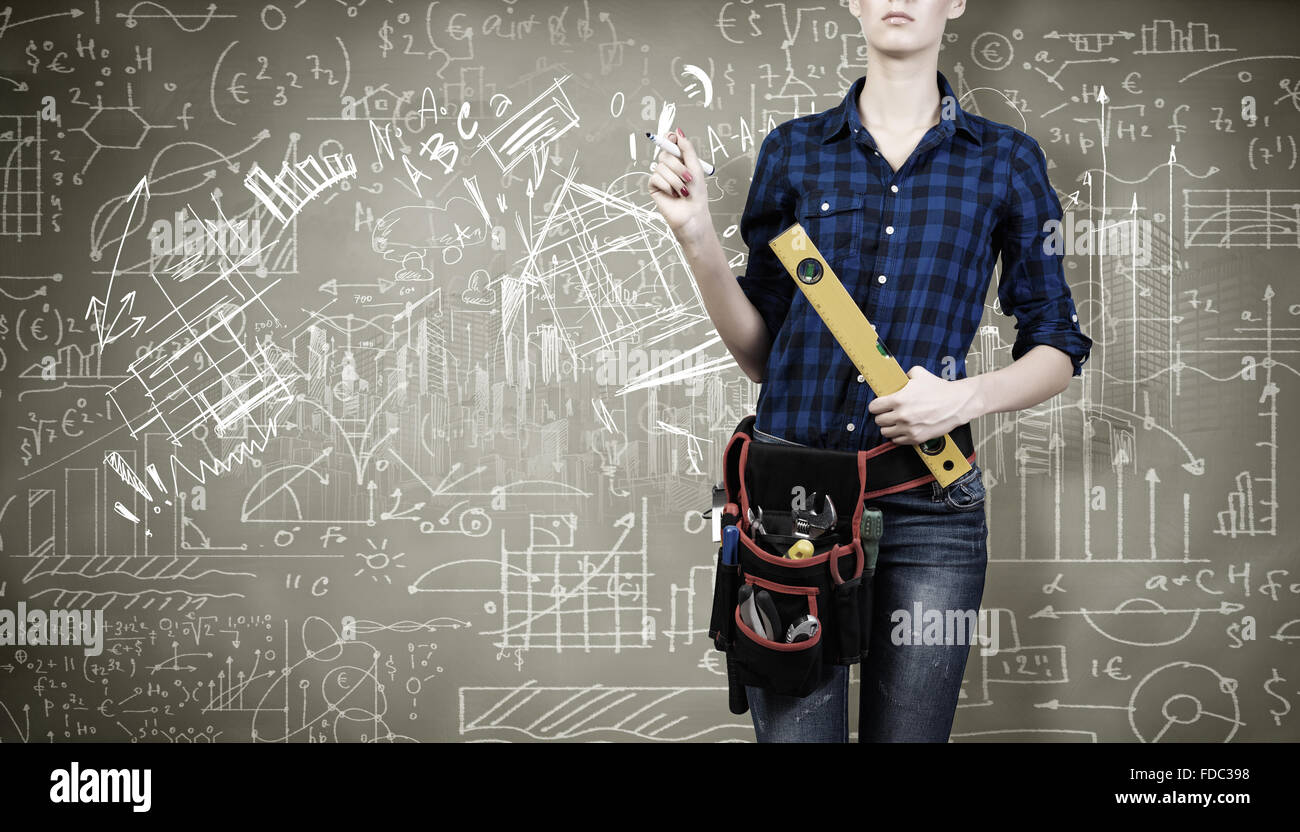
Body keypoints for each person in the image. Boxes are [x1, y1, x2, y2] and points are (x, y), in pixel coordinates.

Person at [648, 0, 1092, 741]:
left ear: (955, 2)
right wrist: (695, 235)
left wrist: (959, 401)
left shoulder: (1006, 160)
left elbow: (1057, 345)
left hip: (931, 513)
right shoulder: (793, 151)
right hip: (788, 502)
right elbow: (761, 354)